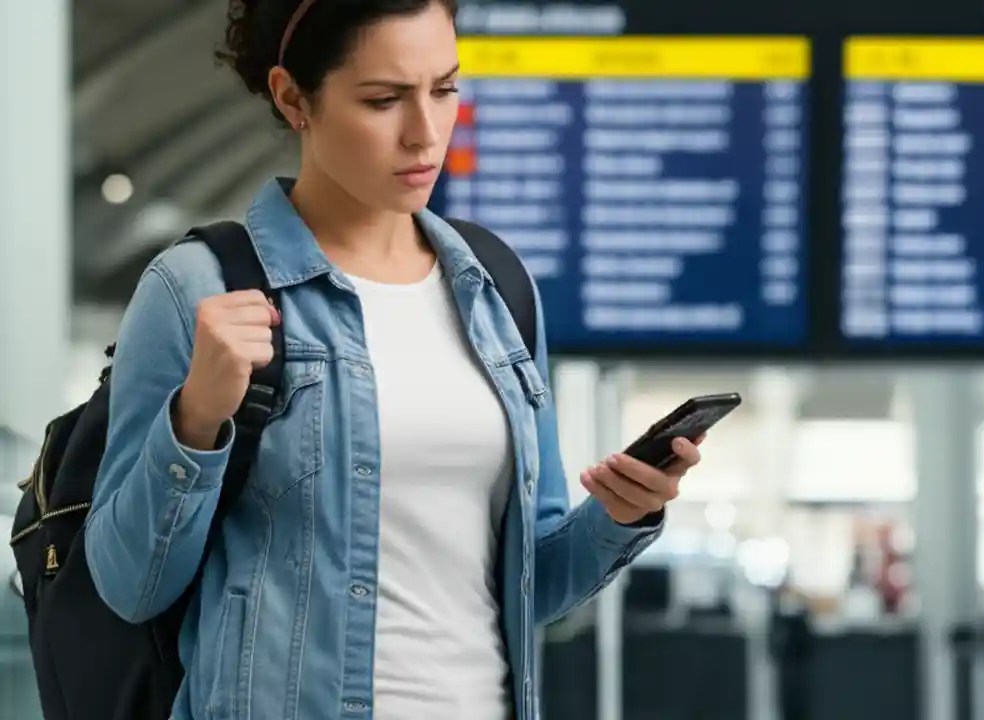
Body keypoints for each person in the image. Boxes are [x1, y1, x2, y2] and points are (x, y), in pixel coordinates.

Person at [82, 2, 706, 718]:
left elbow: (530, 589)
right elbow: (130, 586)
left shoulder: (497, 288)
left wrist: (620, 518)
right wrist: (195, 419)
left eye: (444, 89)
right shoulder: (198, 287)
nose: (426, 133)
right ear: (294, 98)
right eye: (383, 100)